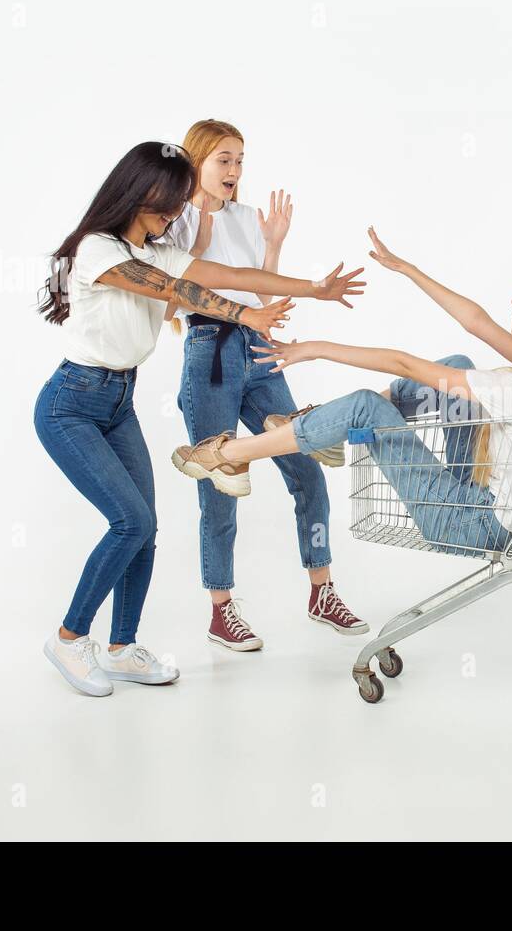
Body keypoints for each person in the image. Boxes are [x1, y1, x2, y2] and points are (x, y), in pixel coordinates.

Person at [34, 141, 363, 697]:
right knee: (130, 523)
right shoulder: (96, 249)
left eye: (177, 203)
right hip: (72, 404)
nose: (172, 214)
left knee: (146, 529)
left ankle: (121, 648)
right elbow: (174, 290)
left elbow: (230, 272)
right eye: (165, 203)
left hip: (118, 403)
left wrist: (315, 289)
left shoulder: (159, 251)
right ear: (138, 194)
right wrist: (243, 313)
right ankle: (69, 638)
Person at [170, 232, 512, 558]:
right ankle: (323, 428)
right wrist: (406, 268)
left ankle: (233, 454)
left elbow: (404, 364)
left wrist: (316, 348)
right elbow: (476, 320)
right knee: (457, 362)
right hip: (490, 512)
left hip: (470, 522)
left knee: (362, 407)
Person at [162, 119, 363, 645]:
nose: (234, 170)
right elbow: (184, 290)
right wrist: (201, 220)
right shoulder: (175, 219)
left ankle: (322, 589)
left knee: (306, 465)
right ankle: (220, 607)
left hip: (256, 348)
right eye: (223, 160)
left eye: (240, 160)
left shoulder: (248, 216)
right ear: (196, 162)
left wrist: (272, 245)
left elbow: (256, 282)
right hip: (211, 351)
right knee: (221, 482)